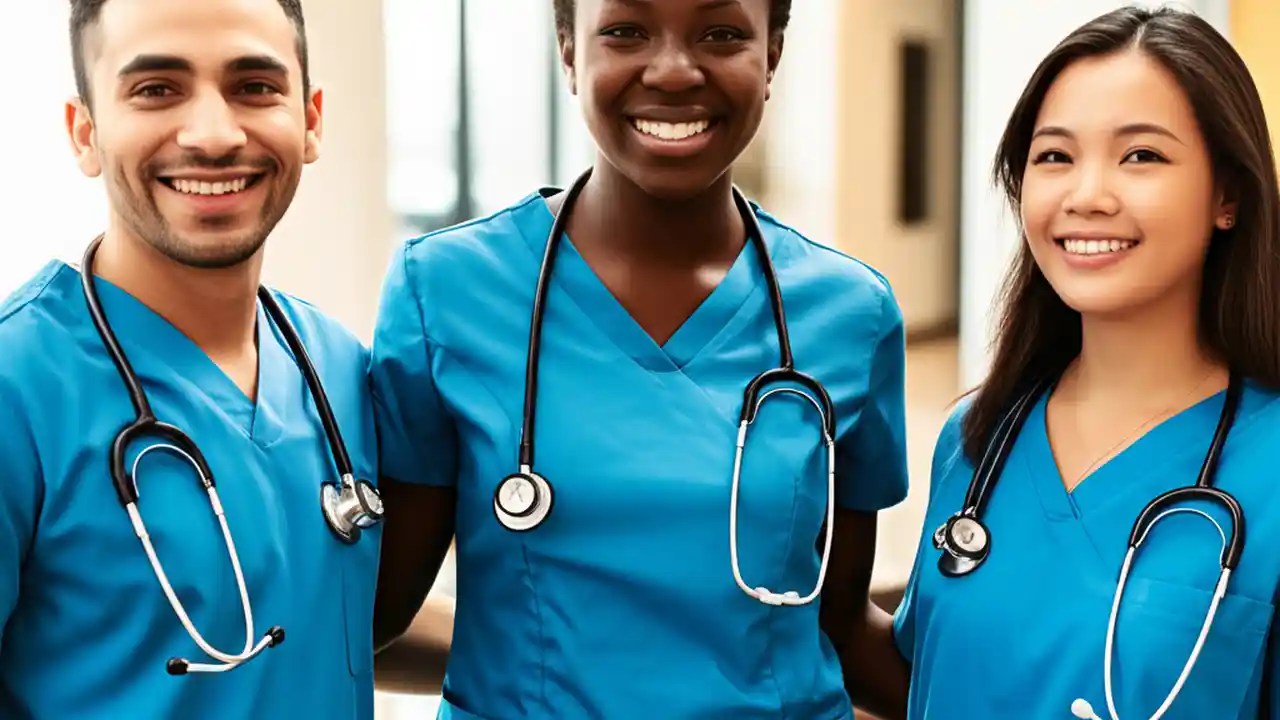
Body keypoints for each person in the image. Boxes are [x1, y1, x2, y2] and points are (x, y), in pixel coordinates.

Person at [369, 0, 912, 717]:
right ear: (568, 50)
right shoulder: (444, 291)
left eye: (721, 34)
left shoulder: (851, 314)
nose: (674, 70)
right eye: (626, 30)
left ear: (772, 53)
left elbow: (840, 623)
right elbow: (376, 613)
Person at [892, 6, 1280, 719]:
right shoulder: (977, 438)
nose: (1086, 195)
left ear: (1227, 194)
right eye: (1055, 156)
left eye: (1141, 156)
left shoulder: (1269, 467)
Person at [0, 0, 383, 717]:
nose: (212, 134)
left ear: (311, 121)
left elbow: (343, 614)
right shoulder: (17, 387)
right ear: (84, 133)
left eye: (254, 87)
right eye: (156, 90)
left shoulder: (339, 368)